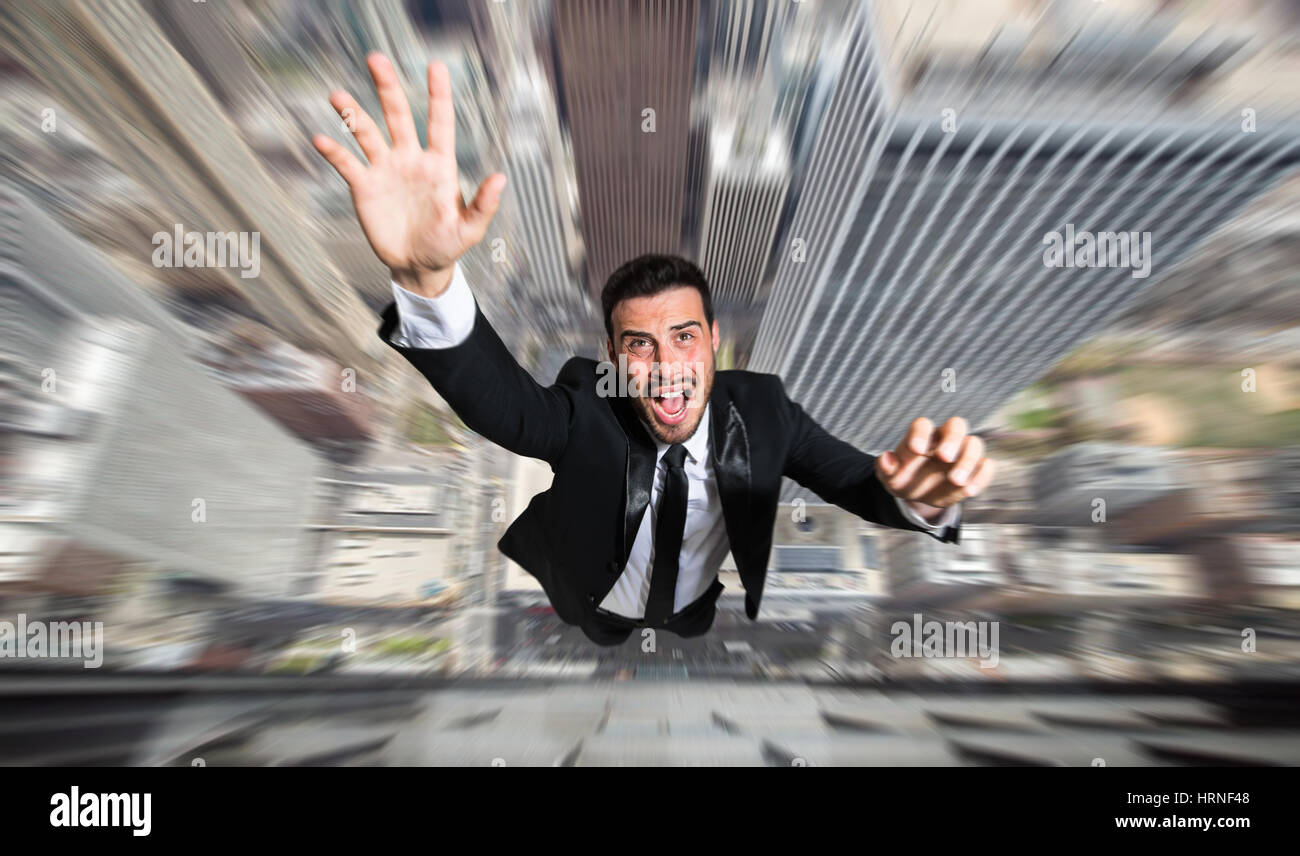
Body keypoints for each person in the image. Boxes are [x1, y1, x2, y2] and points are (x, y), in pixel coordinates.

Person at [313, 54, 996, 646]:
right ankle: (605, 624)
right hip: (587, 592)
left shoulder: (766, 415)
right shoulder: (589, 408)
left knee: (688, 619)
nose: (667, 367)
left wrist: (921, 500)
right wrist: (426, 278)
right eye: (639, 345)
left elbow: (856, 482)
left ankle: (674, 618)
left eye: (684, 338)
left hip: (696, 601)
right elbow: (501, 406)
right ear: (611, 357)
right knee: (598, 625)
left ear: (714, 343)